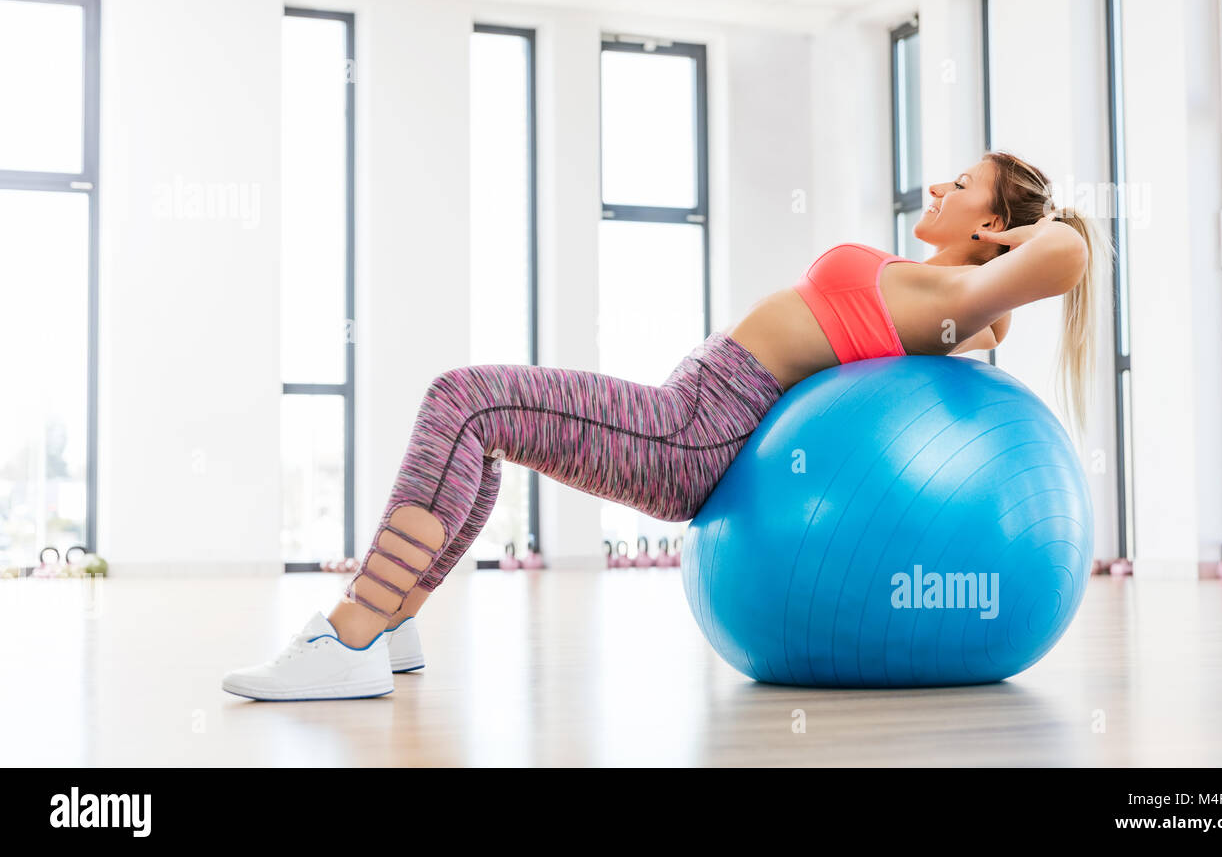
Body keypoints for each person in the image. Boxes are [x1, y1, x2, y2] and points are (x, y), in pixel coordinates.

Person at [221, 150, 1105, 701]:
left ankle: (349, 635)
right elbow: (993, 325)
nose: (939, 185)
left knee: (466, 397)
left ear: (991, 225)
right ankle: (394, 625)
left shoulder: (957, 292)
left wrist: (1051, 225)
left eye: (963, 185)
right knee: (482, 436)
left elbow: (1060, 259)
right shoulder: (947, 294)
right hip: (691, 412)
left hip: (690, 432)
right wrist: (999, 261)